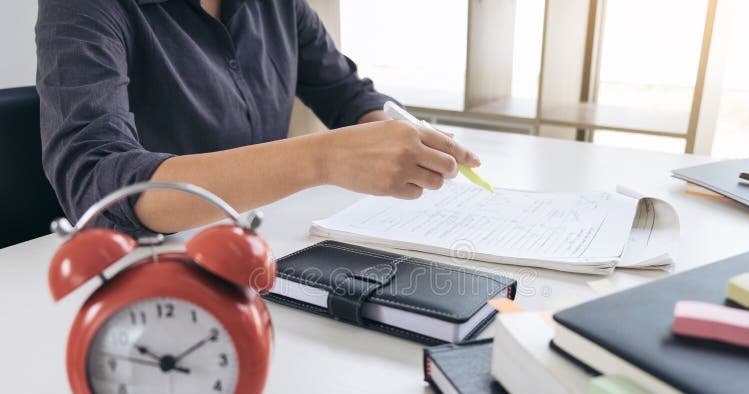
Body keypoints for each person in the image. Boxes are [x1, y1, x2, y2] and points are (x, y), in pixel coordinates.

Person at [36, 0, 481, 234]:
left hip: (265, 253)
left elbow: (346, 94)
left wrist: (403, 137)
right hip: (155, 279)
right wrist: (322, 159)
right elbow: (97, 185)